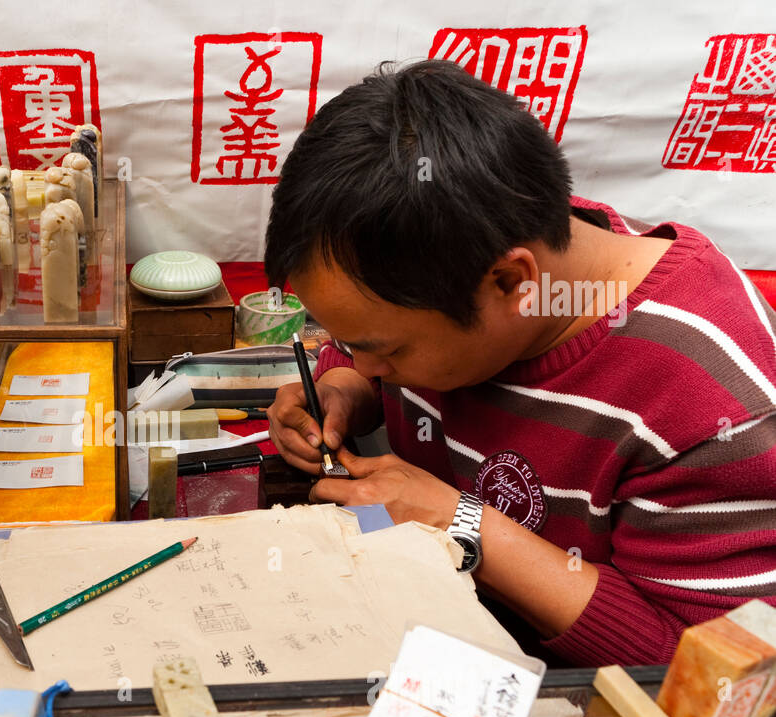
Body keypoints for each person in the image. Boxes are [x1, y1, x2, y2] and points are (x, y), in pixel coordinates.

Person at [264, 59, 776, 666]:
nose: (367, 362)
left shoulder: (713, 401)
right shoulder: (472, 239)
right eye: (350, 340)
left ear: (512, 282)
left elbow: (704, 669)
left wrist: (463, 526)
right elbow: (368, 349)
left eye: (386, 349)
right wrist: (345, 386)